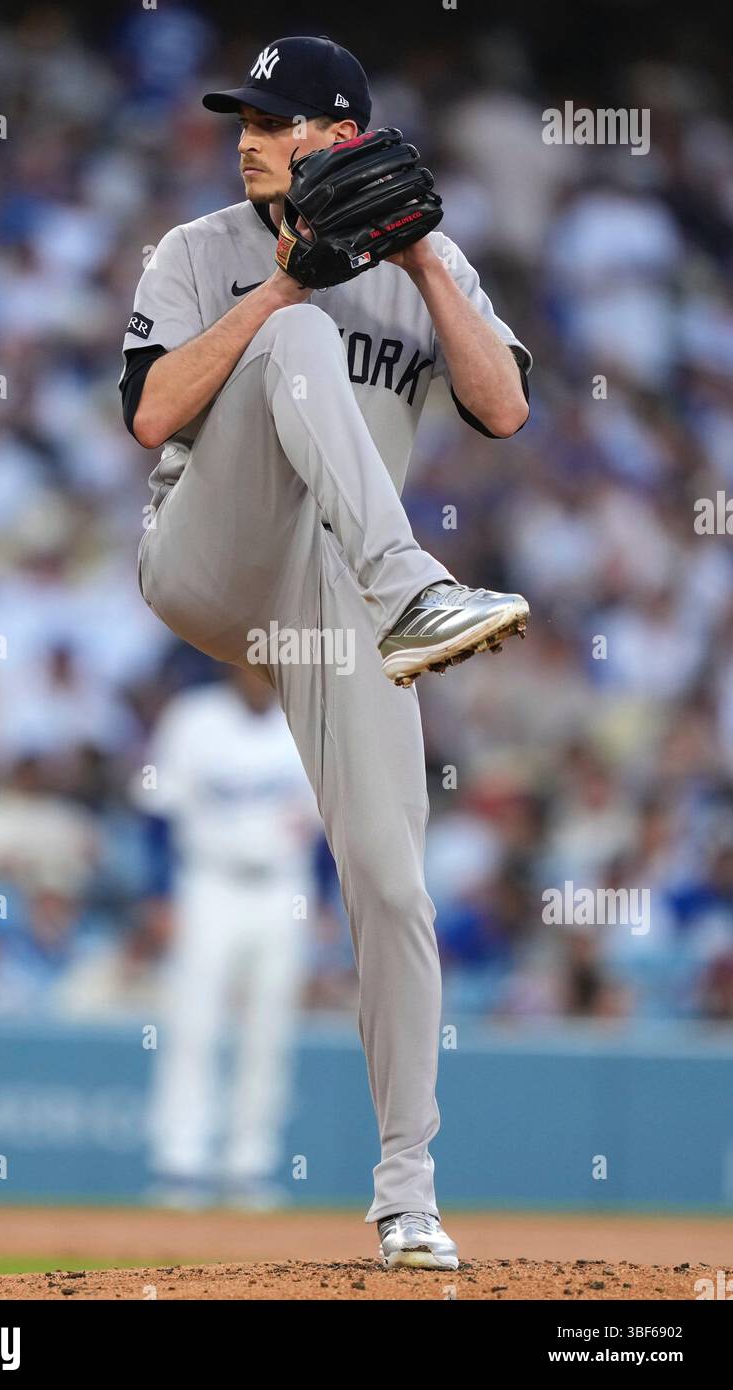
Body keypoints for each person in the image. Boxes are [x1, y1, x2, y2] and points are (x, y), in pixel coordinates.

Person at [118, 34, 532, 1270]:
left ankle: (408, 1193)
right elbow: (149, 412)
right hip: (210, 558)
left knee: (395, 884)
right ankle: (415, 587)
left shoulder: (431, 259)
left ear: (340, 136)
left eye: (276, 118)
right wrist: (288, 286)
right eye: (243, 115)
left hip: (335, 602)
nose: (248, 134)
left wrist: (419, 261)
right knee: (295, 343)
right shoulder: (196, 249)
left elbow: (503, 409)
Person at [131, 664, 323, 1208]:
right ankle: (181, 1163)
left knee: (270, 1026)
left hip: (284, 886)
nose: (258, 673)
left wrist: (328, 902)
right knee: (194, 1023)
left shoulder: (306, 718)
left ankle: (249, 1166)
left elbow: (329, 822)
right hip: (207, 881)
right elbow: (157, 813)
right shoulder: (193, 719)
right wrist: (160, 894)